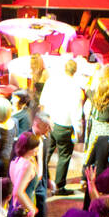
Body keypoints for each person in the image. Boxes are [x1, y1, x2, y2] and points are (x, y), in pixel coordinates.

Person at [39, 59, 84, 193]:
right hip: (64, 125)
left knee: (45, 153)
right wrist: (78, 131)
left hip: (49, 122)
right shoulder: (76, 88)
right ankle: (59, 186)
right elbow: (76, 113)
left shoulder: (51, 81)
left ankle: (40, 179)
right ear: (75, 71)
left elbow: (43, 101)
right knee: (64, 155)